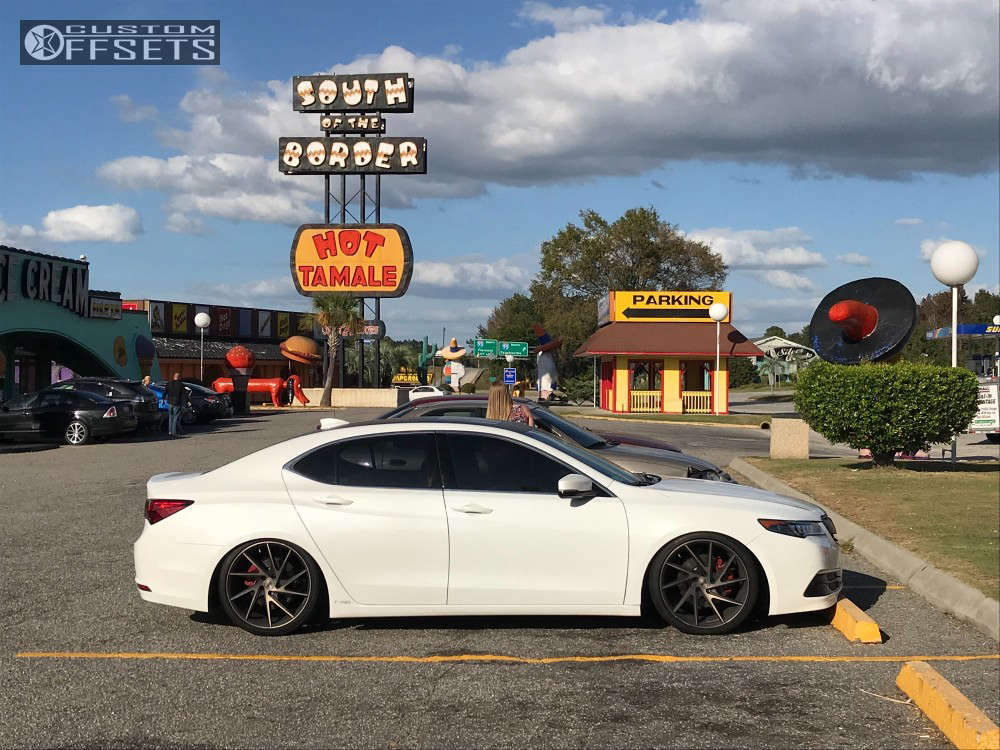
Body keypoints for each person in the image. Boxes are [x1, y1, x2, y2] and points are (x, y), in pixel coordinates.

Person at [166, 372, 186, 437]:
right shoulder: (181, 385)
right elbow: (183, 396)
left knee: (170, 417)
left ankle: (169, 431)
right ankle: (173, 432)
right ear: (179, 377)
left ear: (173, 377)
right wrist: (183, 404)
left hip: (169, 402)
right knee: (175, 418)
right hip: (177, 403)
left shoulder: (168, 384)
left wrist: (164, 399)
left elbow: (165, 392)